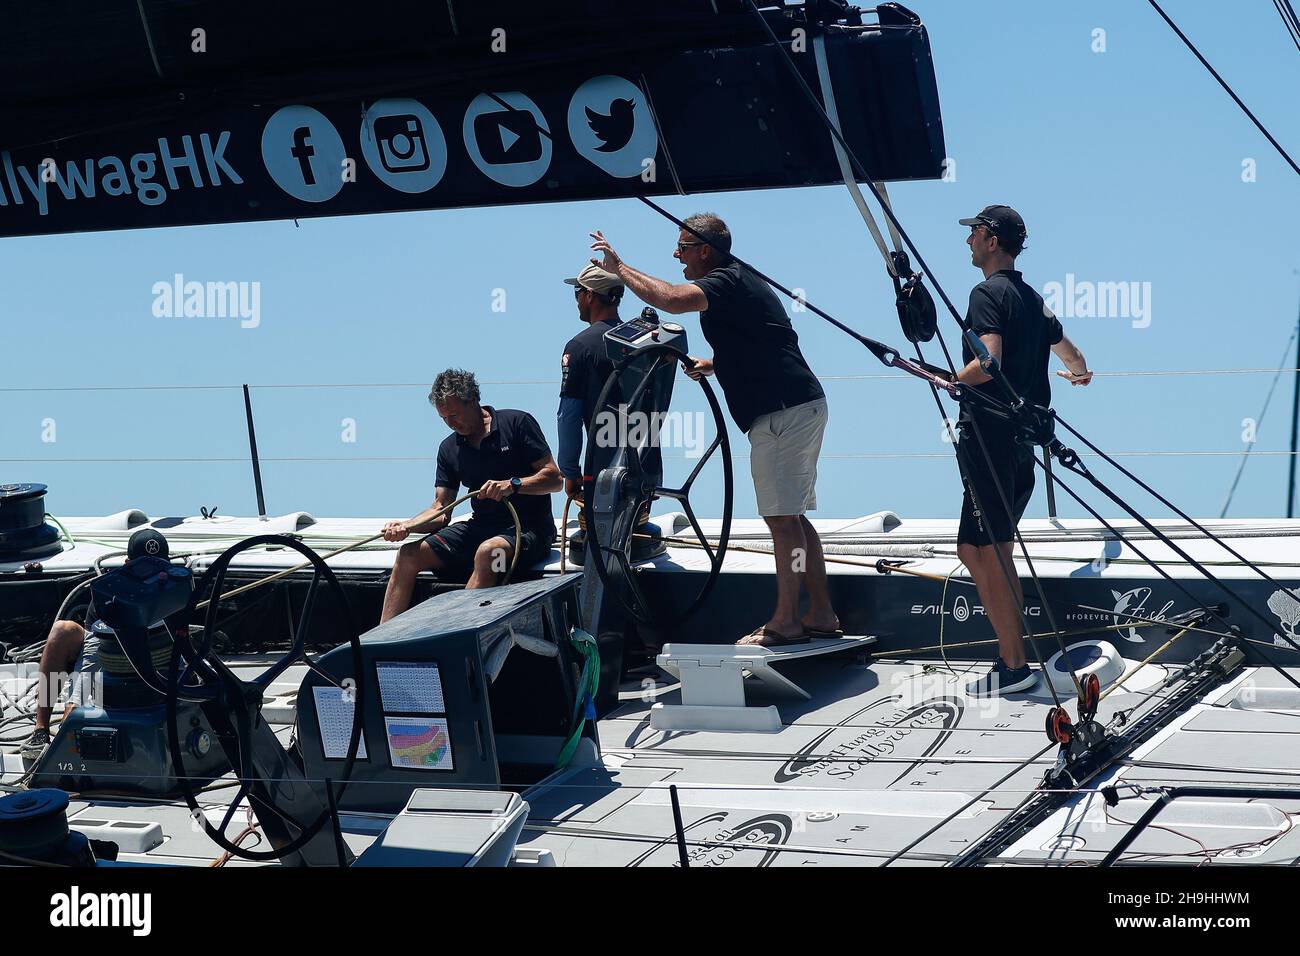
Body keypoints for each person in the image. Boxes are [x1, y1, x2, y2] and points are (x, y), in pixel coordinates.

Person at [589, 213, 839, 646]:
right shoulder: (740, 283)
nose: (676, 254)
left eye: (682, 247)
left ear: (706, 250)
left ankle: (786, 621)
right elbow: (766, 340)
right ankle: (820, 613)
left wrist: (619, 269)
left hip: (782, 412)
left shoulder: (724, 280)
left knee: (781, 519)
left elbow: (670, 299)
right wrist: (716, 364)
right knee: (792, 514)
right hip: (797, 405)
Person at [953, 204, 1093, 697]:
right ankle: (1012, 658)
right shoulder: (1034, 299)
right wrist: (1077, 374)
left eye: (973, 233)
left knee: (974, 548)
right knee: (998, 547)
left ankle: (1014, 667)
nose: (967, 240)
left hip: (988, 437)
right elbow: (1073, 355)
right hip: (1024, 441)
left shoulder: (986, 293)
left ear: (992, 240)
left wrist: (950, 378)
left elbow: (987, 360)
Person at [379, 368, 563, 622]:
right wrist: (407, 526)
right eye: (444, 418)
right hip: (479, 529)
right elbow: (441, 509)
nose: (451, 424)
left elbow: (555, 479)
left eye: (454, 415)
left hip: (529, 531)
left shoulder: (517, 423)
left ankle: (451, 635)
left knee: (488, 553)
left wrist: (513, 485)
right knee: (408, 554)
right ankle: (379, 643)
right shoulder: (448, 448)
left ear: (473, 400)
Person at [19, 528, 172, 762]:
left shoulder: (175, 590)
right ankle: (41, 730)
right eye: (143, 566)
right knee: (63, 632)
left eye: (158, 566)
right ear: (127, 564)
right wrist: (77, 703)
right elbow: (94, 651)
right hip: (108, 660)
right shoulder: (108, 595)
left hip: (159, 664)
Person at [557, 263, 625, 501]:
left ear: (590, 295)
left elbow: (569, 417)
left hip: (603, 474)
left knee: (597, 537)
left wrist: (570, 472)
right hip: (648, 471)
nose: (576, 300)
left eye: (577, 292)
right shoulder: (644, 341)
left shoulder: (579, 347)